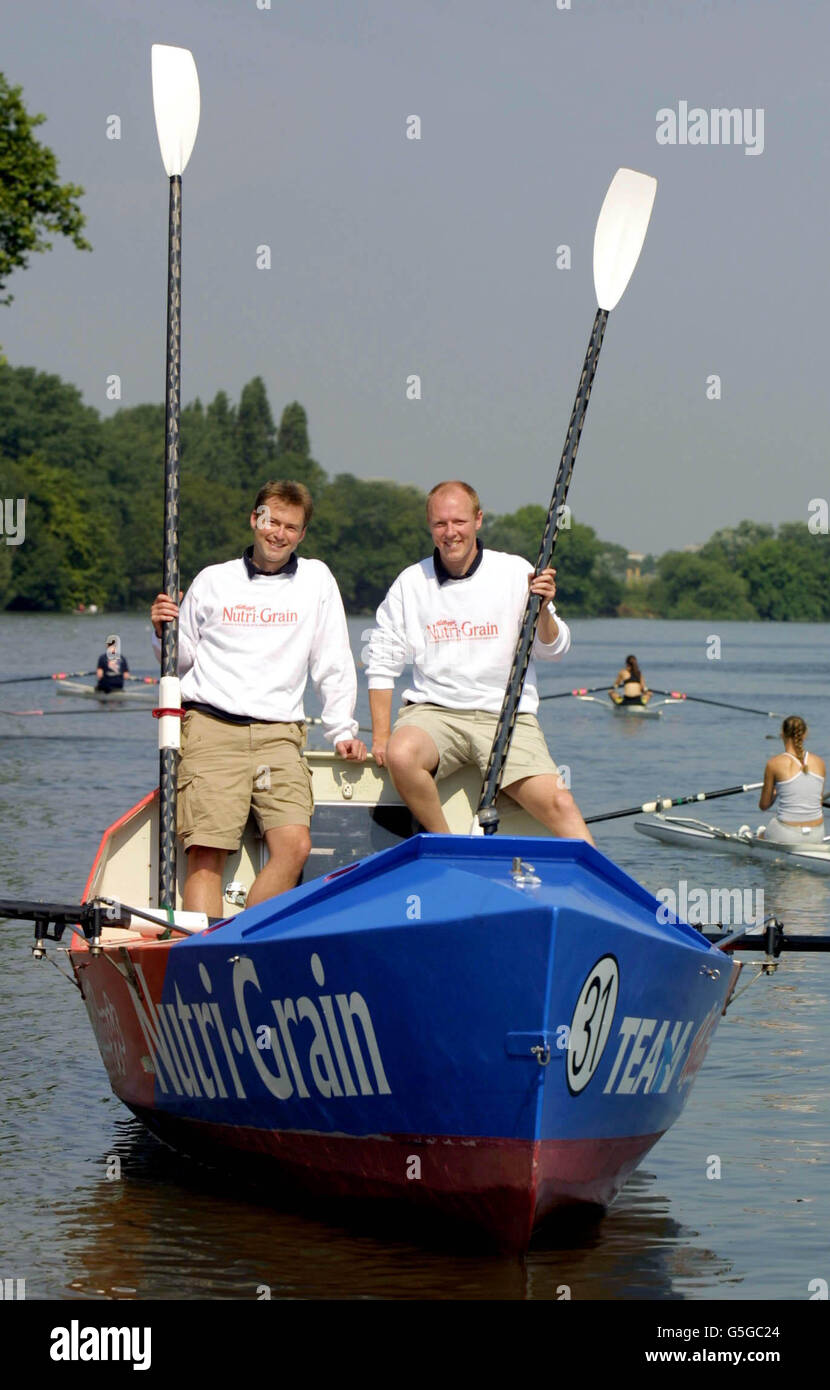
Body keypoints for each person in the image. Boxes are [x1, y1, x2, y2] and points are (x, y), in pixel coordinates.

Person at [150, 479, 366, 916]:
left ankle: (248, 934)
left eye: (291, 526)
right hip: (210, 728)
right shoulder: (213, 580)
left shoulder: (317, 579)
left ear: (302, 534)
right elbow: (181, 659)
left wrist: (342, 727)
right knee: (206, 855)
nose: (279, 533)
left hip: (279, 735)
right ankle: (204, 952)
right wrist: (161, 630)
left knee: (295, 846)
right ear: (255, 519)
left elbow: (334, 659)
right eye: (271, 521)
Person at [365, 480, 595, 843]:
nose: (450, 532)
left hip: (506, 715)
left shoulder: (517, 572)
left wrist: (545, 610)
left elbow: (556, 649)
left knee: (561, 805)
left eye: (458, 522)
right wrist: (380, 735)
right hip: (434, 713)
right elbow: (381, 661)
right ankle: (445, 845)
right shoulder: (411, 582)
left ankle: (598, 889)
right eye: (440, 524)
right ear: (430, 527)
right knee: (401, 752)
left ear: (478, 521)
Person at [758, 715, 826, 843]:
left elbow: (764, 805)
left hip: (787, 834)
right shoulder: (820, 762)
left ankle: (758, 836)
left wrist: (775, 793)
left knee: (761, 833)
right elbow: (818, 802)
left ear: (782, 734)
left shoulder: (774, 763)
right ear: (805, 734)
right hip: (817, 834)